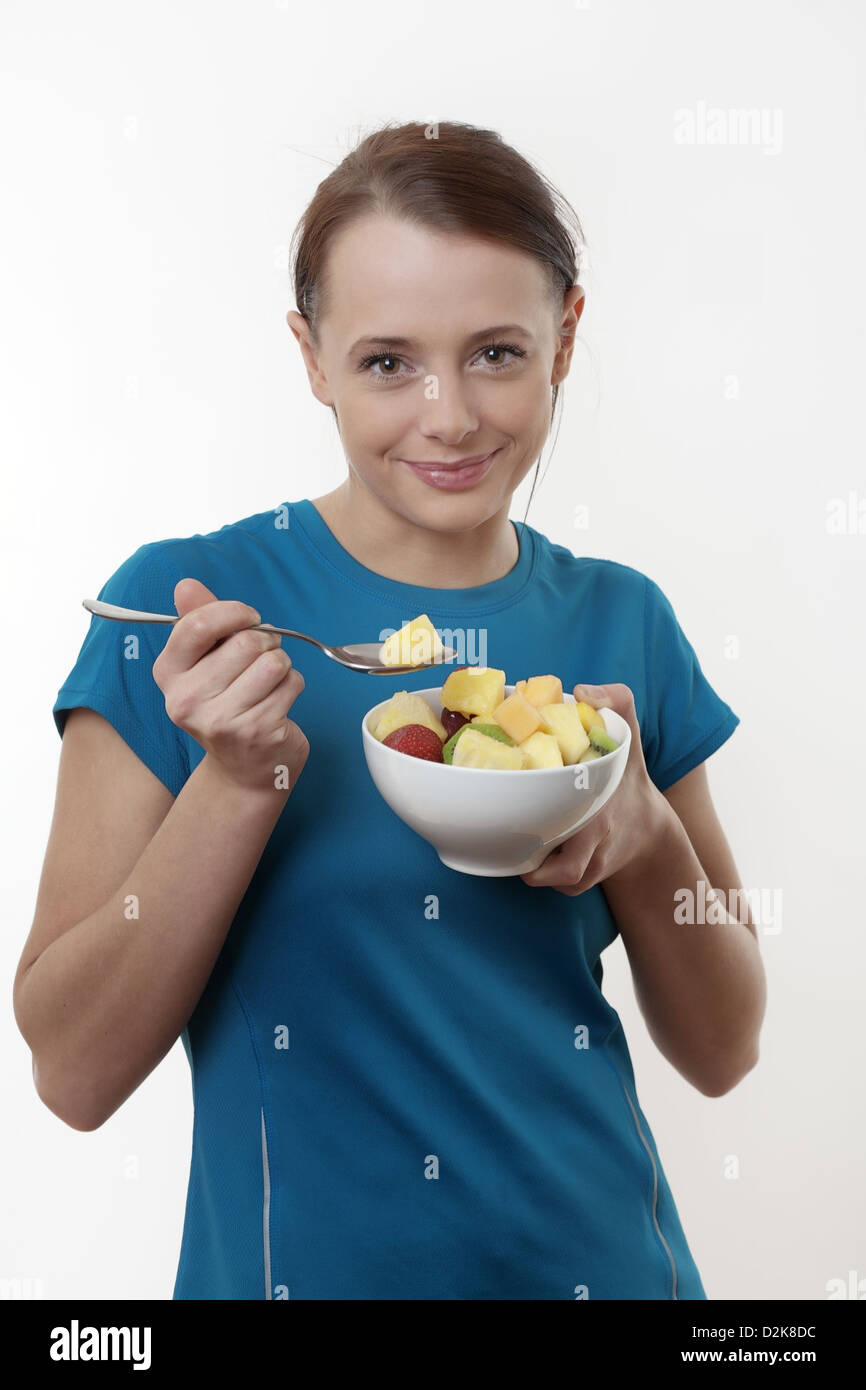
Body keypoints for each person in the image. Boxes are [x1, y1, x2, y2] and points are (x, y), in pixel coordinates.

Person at [13, 120, 766, 1300]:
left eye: (496, 353)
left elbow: (724, 1047)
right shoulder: (185, 612)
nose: (450, 415)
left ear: (565, 339)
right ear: (310, 357)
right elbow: (71, 1072)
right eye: (386, 362)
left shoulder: (624, 622)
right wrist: (235, 778)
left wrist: (644, 831)